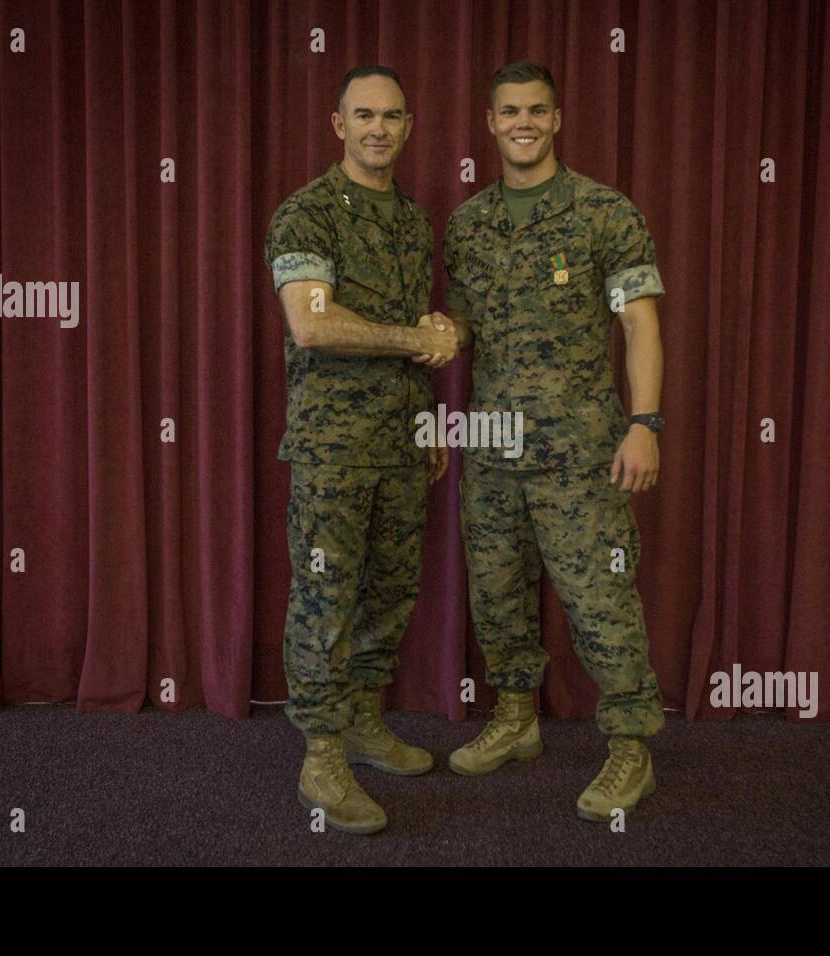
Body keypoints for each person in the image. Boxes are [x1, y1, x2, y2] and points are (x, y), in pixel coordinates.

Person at [442, 60, 667, 822]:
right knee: (497, 593)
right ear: (491, 122)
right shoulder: (469, 224)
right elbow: (465, 322)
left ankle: (631, 747)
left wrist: (646, 423)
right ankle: (516, 719)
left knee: (600, 598)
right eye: (509, 111)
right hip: (493, 444)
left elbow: (640, 322)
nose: (523, 122)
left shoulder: (604, 213)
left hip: (581, 448)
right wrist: (440, 334)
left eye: (536, 109)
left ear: (558, 118)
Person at [263, 65, 459, 835]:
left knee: (389, 592)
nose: (379, 128)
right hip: (333, 449)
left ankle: (366, 720)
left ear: (409, 127)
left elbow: (421, 340)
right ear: (338, 124)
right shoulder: (306, 214)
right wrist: (418, 338)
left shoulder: (412, 222)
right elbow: (312, 325)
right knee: (325, 598)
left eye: (393, 116)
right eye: (364, 115)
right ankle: (321, 755)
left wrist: (431, 420)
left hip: (401, 441)